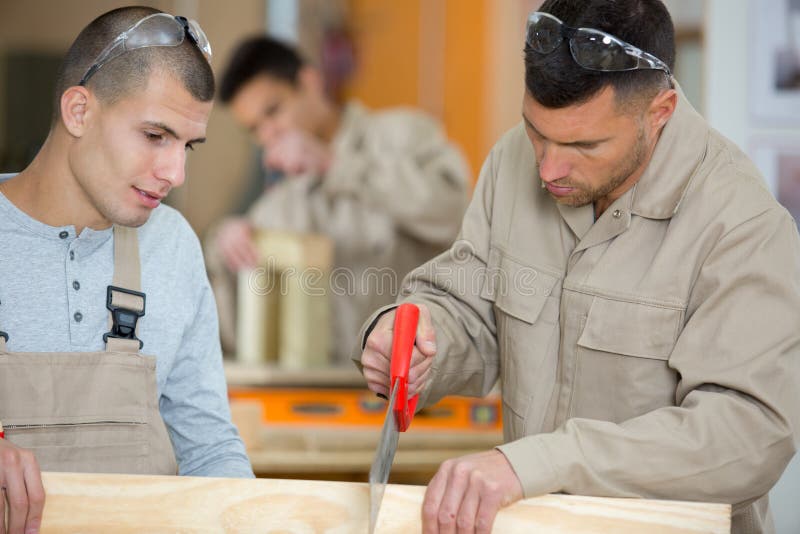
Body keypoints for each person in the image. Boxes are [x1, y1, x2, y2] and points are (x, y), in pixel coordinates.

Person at [355, 1, 800, 533]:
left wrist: (541, 464)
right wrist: (419, 337)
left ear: (659, 112)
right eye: (535, 132)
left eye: (584, 145)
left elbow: (747, 436)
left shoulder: (742, 224)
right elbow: (471, 309)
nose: (548, 168)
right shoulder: (512, 162)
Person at [0, 6, 254, 533]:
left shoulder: (174, 247)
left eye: (189, 146)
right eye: (155, 136)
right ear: (78, 111)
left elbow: (208, 447)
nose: (175, 174)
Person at [207, 36, 470, 363]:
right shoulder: (286, 197)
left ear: (310, 82)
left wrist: (335, 164)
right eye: (254, 129)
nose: (268, 135)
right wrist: (227, 240)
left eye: (273, 112)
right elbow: (232, 300)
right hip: (332, 392)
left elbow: (453, 214)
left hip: (420, 383)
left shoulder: (403, 134)